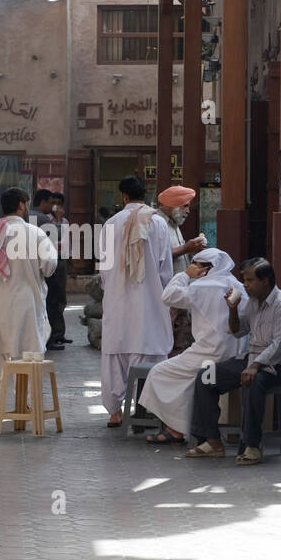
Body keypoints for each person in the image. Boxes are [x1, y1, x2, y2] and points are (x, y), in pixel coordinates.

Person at [186, 258, 281, 466]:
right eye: (245, 280)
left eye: (250, 280)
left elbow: (279, 346)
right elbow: (237, 330)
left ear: (266, 281)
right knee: (206, 376)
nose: (246, 285)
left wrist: (254, 366)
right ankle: (211, 441)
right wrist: (232, 309)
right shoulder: (252, 303)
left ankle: (252, 445)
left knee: (255, 380)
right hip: (253, 359)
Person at [138, 247, 246, 445]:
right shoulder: (236, 284)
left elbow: (168, 296)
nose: (192, 267)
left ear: (205, 269)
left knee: (159, 373)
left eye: (196, 264)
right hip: (234, 355)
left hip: (209, 353)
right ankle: (177, 428)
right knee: (186, 380)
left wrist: (184, 275)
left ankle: (177, 429)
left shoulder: (202, 287)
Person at [98, 175, 174, 427]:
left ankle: (114, 412)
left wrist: (112, 287)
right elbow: (165, 269)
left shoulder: (110, 224)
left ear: (124, 196)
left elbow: (104, 267)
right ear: (146, 195)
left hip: (117, 301)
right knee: (150, 350)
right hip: (150, 304)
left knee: (115, 355)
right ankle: (151, 409)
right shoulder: (159, 223)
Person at [0, 187, 58, 417]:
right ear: (22, 205)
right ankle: (29, 403)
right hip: (27, 303)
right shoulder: (34, 233)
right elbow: (50, 266)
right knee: (30, 353)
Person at [157, 185, 207, 354]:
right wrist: (185, 248)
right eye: (184, 206)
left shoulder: (174, 224)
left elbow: (176, 252)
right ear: (173, 204)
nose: (188, 211)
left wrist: (191, 250)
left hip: (180, 286)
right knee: (168, 330)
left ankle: (175, 359)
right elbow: (157, 257)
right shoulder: (159, 223)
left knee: (180, 328)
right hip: (166, 289)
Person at [45, 193, 71, 350]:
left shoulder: (65, 221)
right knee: (51, 298)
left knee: (61, 298)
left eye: (59, 203)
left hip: (61, 261)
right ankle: (51, 334)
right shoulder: (46, 220)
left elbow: (66, 244)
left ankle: (59, 333)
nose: (56, 206)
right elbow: (51, 242)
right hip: (49, 261)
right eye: (53, 203)